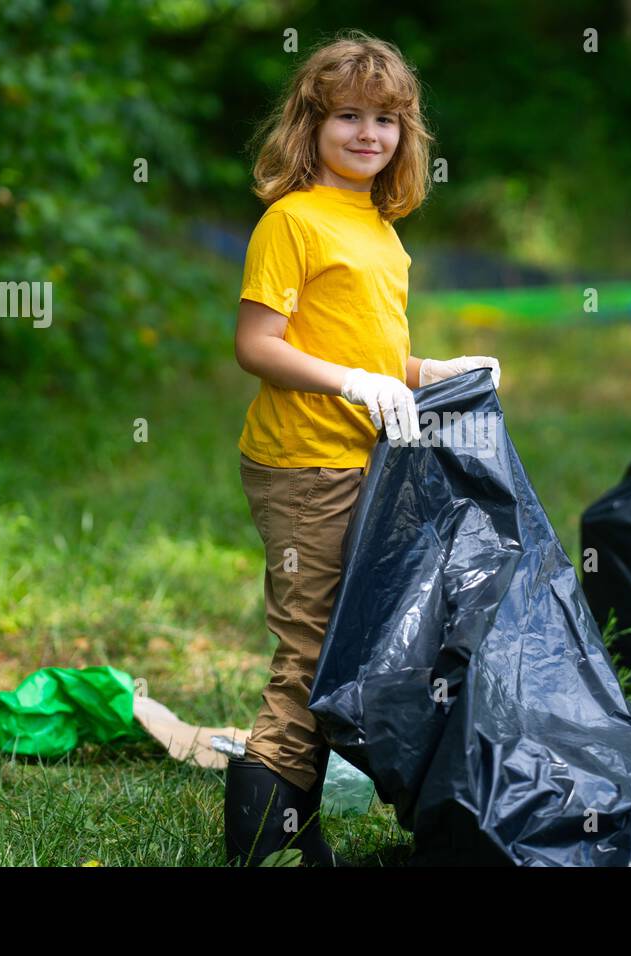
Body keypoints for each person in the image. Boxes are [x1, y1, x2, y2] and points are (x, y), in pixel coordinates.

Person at [227, 30, 502, 866]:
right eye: (347, 115)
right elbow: (258, 344)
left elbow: (370, 354)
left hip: (366, 464)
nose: (367, 134)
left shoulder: (381, 230)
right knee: (311, 647)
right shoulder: (292, 221)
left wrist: (426, 370)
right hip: (303, 466)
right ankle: (259, 850)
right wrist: (354, 387)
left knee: (355, 644)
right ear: (308, 126)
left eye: (386, 120)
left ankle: (301, 836)